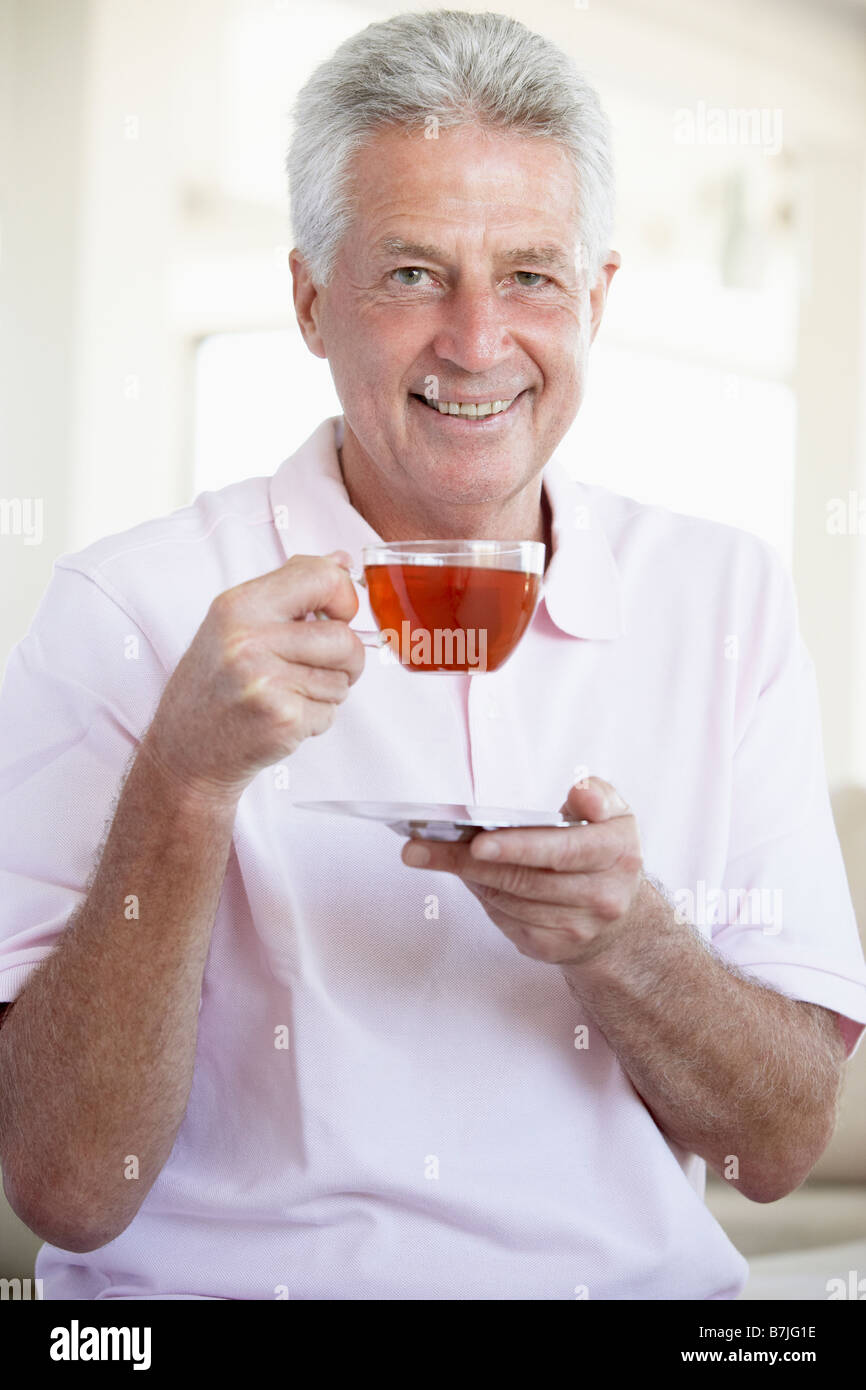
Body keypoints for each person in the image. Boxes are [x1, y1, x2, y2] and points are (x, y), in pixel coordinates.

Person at [0, 9, 864, 1302]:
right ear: (308, 299)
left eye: (528, 274)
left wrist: (624, 942)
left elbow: (775, 1148)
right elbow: (65, 1183)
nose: (474, 342)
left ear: (598, 297)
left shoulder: (721, 598)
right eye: (411, 272)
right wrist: (182, 786)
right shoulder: (130, 606)